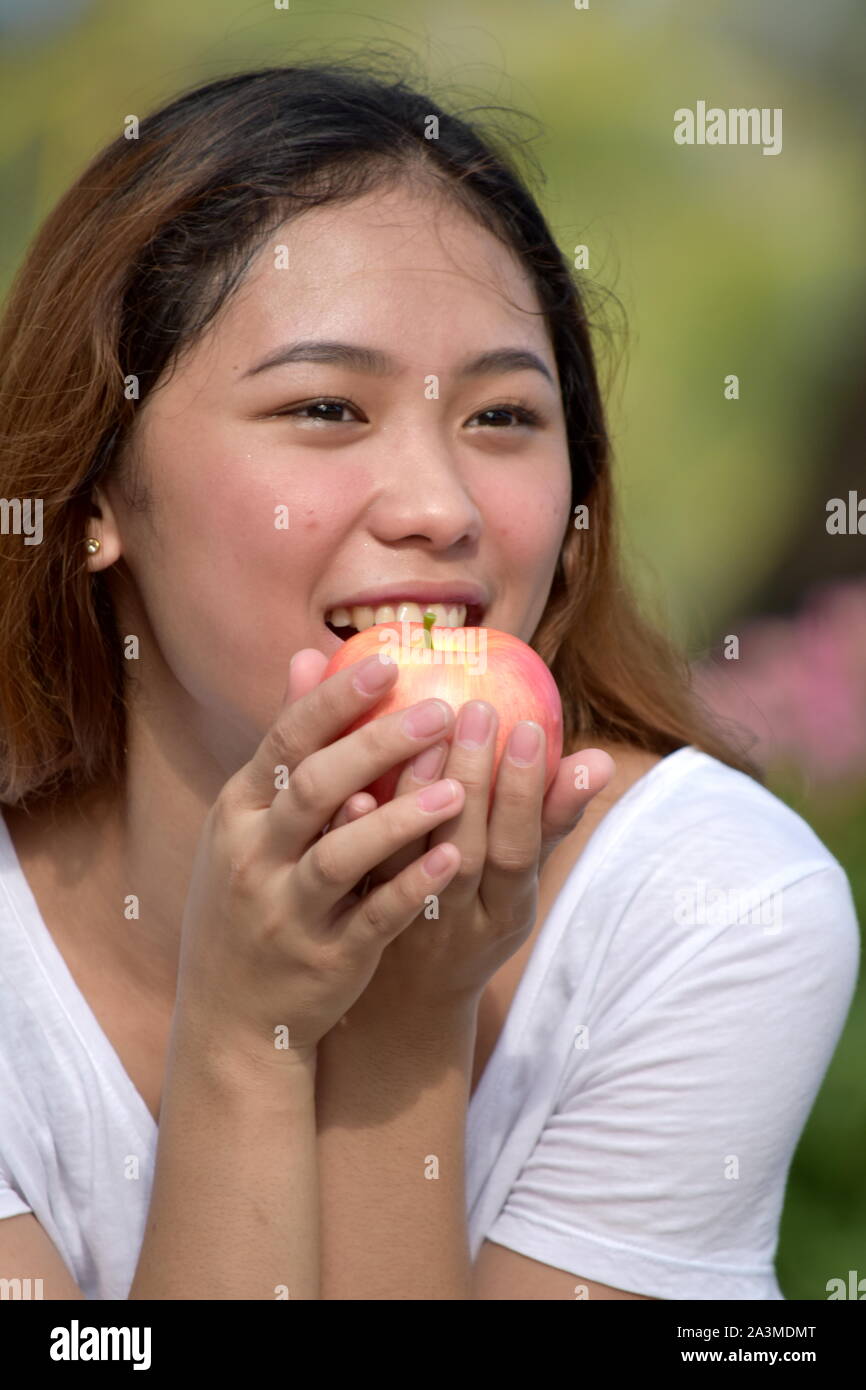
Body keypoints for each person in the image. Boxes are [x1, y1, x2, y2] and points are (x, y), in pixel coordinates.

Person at [0, 59, 858, 1301]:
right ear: (91, 498)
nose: (441, 508)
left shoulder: (703, 909)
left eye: (503, 418)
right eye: (326, 407)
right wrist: (250, 1040)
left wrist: (406, 1032)